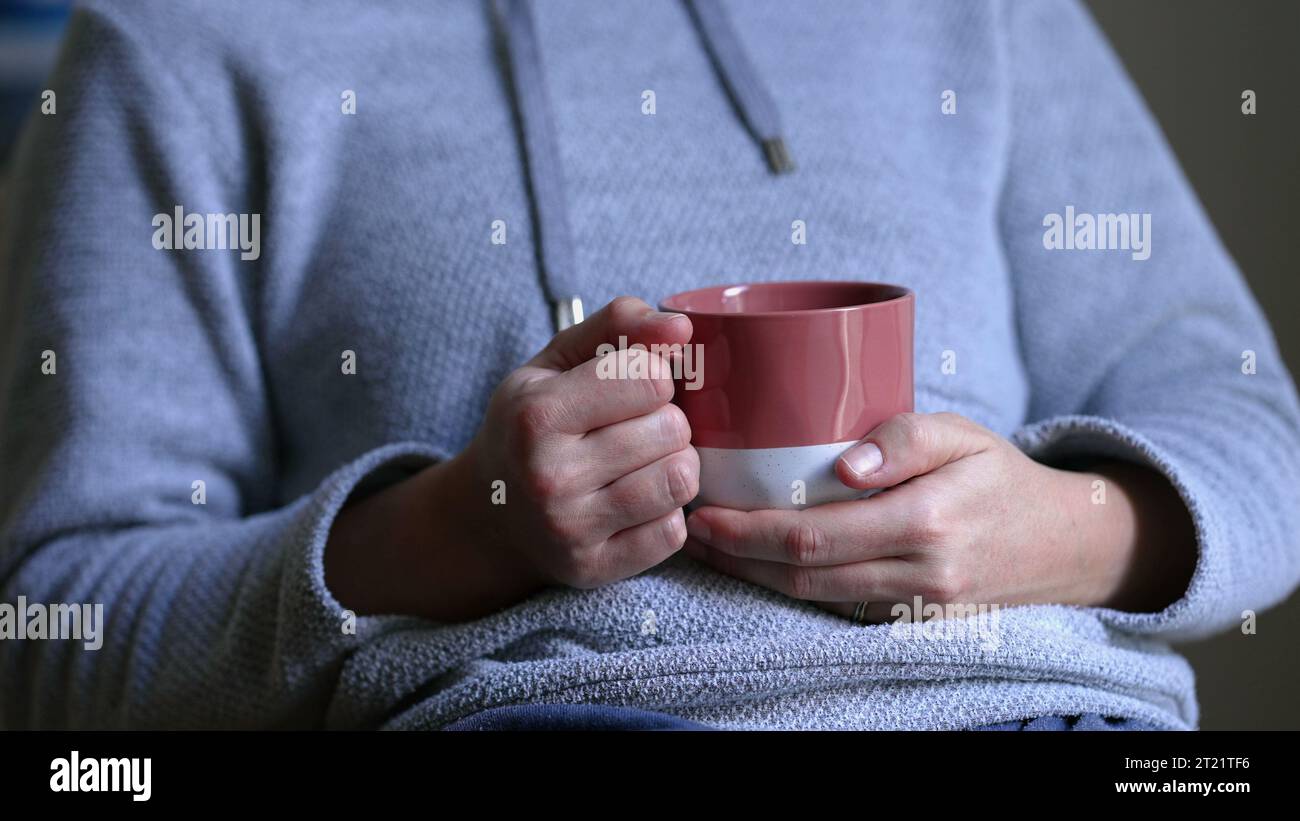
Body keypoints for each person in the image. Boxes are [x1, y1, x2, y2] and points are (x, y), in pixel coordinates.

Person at [1, 0, 1297, 731]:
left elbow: (1261, 432)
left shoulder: (979, 18)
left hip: (1069, 722)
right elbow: (52, 622)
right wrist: (449, 532)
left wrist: (1062, 529)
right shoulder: (179, 43)